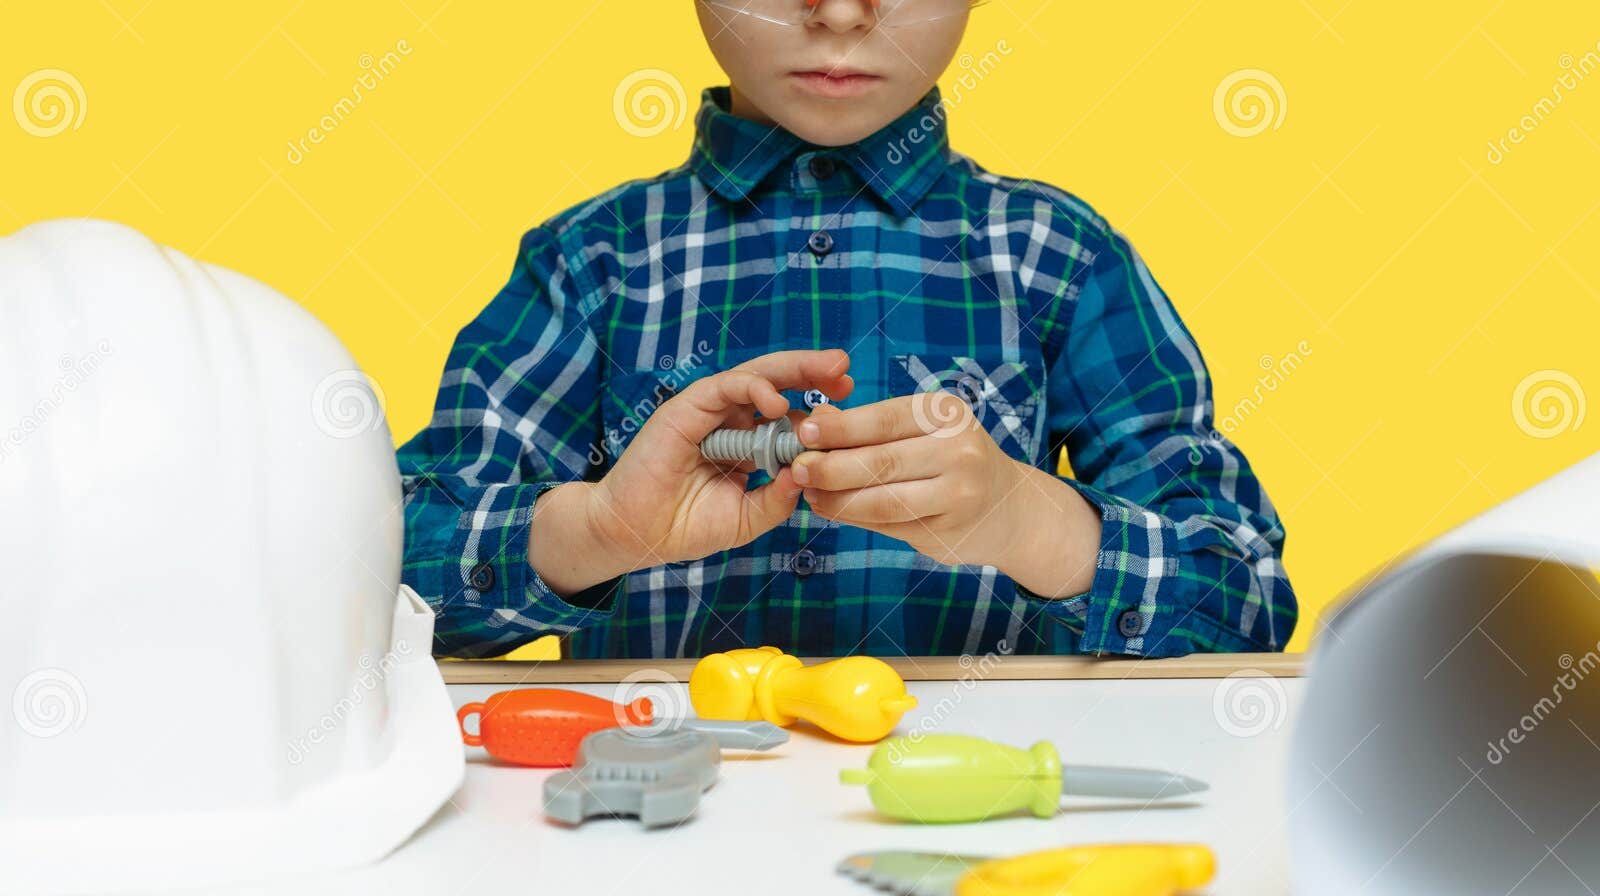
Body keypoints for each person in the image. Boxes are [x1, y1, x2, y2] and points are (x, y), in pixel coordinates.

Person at [398, 0, 1297, 659]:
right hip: (657, 850)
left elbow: (1248, 597)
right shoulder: (592, 260)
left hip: (982, 834)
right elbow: (382, 583)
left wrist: (1032, 523)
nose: (839, 13)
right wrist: (595, 530)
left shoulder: (1056, 255)